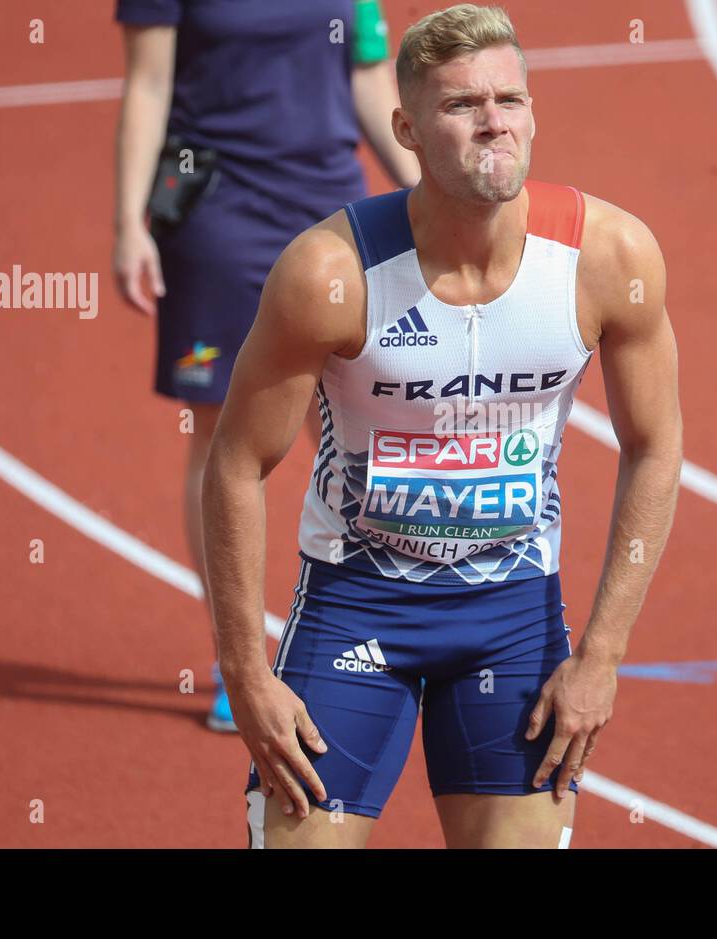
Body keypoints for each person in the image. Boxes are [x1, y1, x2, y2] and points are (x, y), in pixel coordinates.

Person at [203, 3, 682, 848]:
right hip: (356, 608)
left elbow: (655, 447)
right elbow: (237, 462)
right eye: (462, 105)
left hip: (514, 614)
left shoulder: (609, 258)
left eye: (510, 100)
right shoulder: (331, 274)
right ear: (408, 129)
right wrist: (245, 669)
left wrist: (601, 654)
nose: (492, 122)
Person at [112, 0, 420, 732]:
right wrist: (129, 221)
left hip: (329, 204)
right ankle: (236, 658)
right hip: (212, 210)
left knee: (359, 420)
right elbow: (149, 84)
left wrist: (429, 188)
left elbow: (368, 75)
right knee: (223, 431)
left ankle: (383, 634)